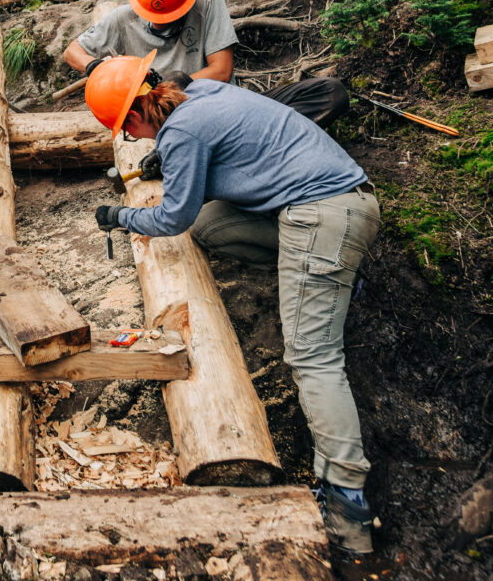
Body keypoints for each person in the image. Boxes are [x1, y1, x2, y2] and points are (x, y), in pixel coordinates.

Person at [85, 52, 379, 554]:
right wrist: (170, 162)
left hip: (326, 212)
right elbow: (202, 198)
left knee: (311, 356)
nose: (138, 141)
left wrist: (121, 217)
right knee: (214, 226)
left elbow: (172, 218)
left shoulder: (181, 133)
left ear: (134, 116)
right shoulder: (200, 94)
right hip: (325, 204)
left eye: (131, 134)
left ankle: (348, 501)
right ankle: (323, 279)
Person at [62, 0, 349, 127]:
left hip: (224, 106)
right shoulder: (123, 19)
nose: (164, 22)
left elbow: (221, 71)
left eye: (172, 14)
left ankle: (271, 136)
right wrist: (95, 68)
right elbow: (72, 51)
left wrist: (164, 86)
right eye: (156, 16)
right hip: (166, 120)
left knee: (331, 93)